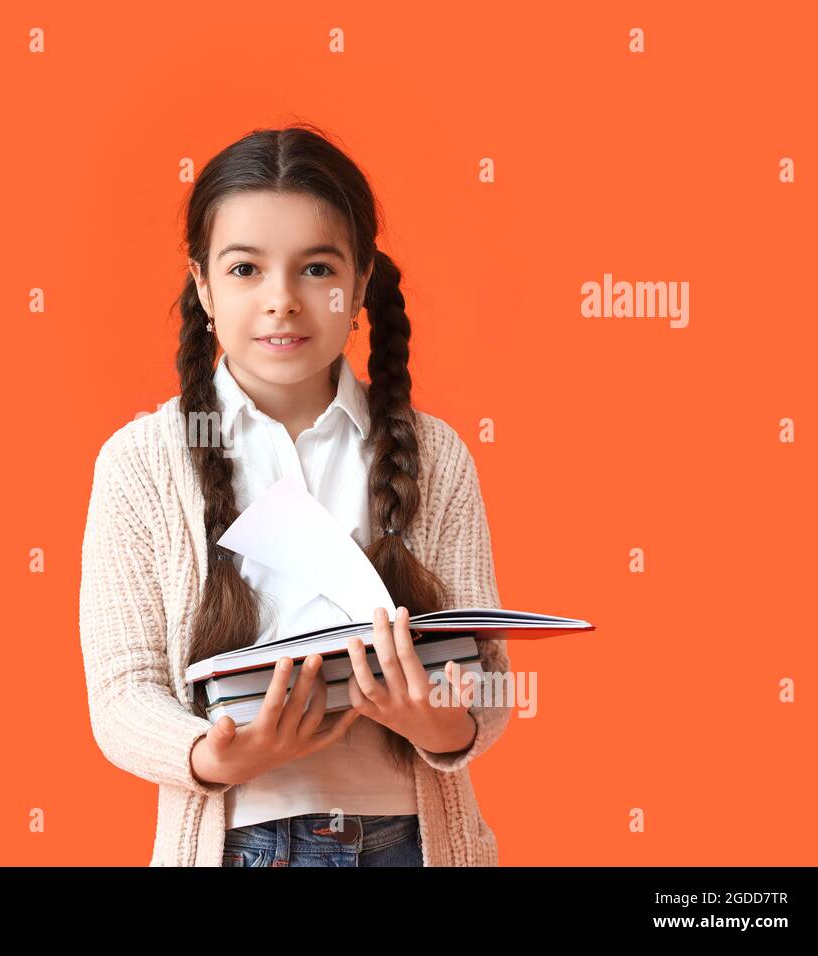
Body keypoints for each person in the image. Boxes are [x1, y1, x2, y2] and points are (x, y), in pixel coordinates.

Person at [78, 123, 511, 867]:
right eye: (246, 269)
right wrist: (218, 755)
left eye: (316, 269)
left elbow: (490, 677)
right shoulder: (140, 463)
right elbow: (122, 693)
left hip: (413, 842)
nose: (282, 301)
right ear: (203, 285)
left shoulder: (433, 454)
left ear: (361, 281)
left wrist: (439, 722)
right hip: (236, 842)